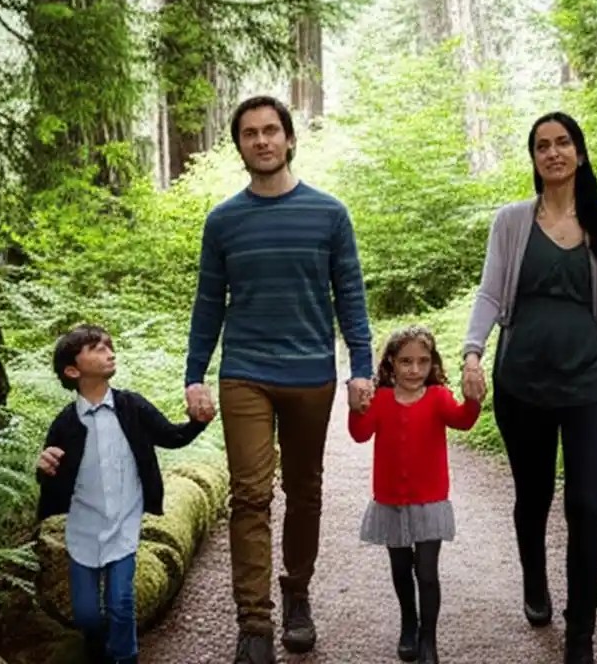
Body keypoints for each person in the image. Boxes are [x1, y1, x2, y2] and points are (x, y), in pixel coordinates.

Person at [459, 112, 597, 664]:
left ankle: (581, 636)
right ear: (533, 159)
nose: (553, 152)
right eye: (542, 145)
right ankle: (534, 580)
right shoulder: (510, 222)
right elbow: (487, 294)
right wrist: (472, 351)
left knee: (586, 506)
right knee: (533, 498)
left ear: (579, 153)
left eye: (563, 143)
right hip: (521, 384)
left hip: (591, 387)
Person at [184, 95, 375, 664]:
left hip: (310, 375)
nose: (262, 141)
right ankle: (255, 624)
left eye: (271, 131)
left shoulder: (329, 213)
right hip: (244, 372)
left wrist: (361, 367)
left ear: (289, 139)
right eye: (250, 133)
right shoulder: (223, 221)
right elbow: (207, 304)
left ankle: (296, 591)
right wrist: (195, 374)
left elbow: (351, 296)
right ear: (239, 145)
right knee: (249, 495)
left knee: (306, 490)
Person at [35, 324, 212, 664]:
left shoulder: (132, 406)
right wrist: (43, 469)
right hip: (83, 526)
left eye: (110, 347)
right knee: (86, 615)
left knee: (121, 601)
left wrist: (197, 422)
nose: (109, 353)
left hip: (124, 521)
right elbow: (54, 481)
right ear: (73, 370)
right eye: (97, 349)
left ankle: (126, 657)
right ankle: (97, 650)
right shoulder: (64, 423)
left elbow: (172, 437)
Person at [348, 325, 481, 664]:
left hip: (430, 500)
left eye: (422, 361)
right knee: (400, 567)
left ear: (432, 363)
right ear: (391, 362)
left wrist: (473, 399)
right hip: (390, 499)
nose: (414, 370)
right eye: (406, 361)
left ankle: (428, 639)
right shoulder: (379, 399)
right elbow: (360, 434)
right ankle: (409, 622)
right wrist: (356, 408)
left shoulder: (437, 398)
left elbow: (462, 421)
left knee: (427, 571)